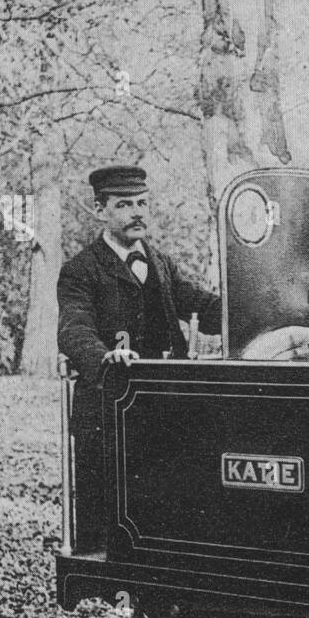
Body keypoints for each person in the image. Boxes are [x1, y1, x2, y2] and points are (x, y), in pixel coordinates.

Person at [57, 165, 221, 552]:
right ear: (101, 210)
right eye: (125, 204)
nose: (138, 213)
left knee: (171, 509)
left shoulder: (161, 263)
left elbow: (197, 303)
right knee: (113, 525)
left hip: (166, 405)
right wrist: (106, 359)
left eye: (143, 203)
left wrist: (248, 308)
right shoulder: (80, 271)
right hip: (108, 409)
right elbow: (74, 329)